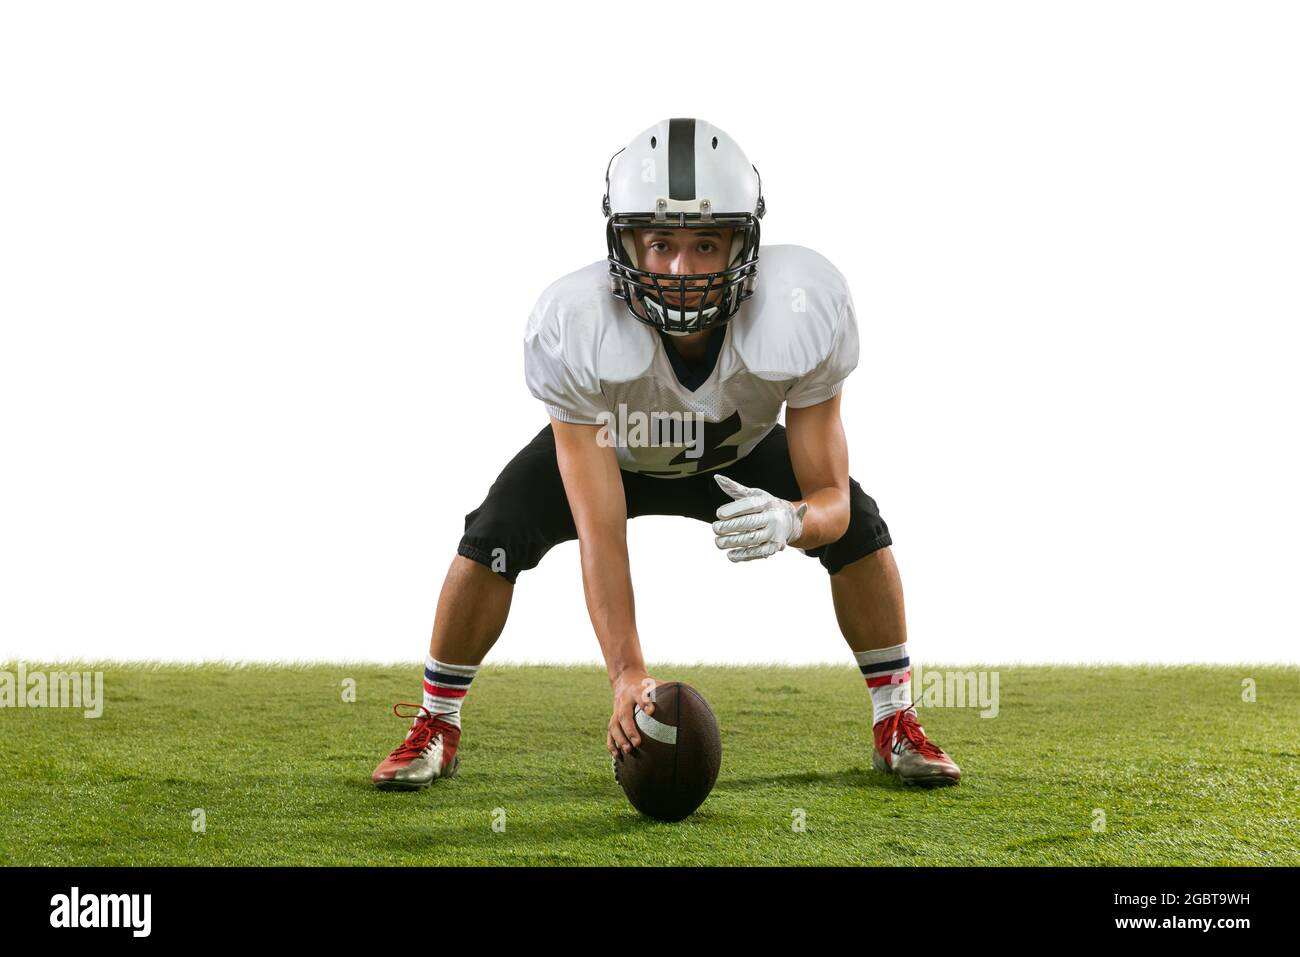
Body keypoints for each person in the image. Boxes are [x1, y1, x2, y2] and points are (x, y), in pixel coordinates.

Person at [371, 118, 960, 791]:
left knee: (862, 524)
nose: (682, 270)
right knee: (494, 533)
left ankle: (895, 719)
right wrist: (627, 672)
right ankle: (437, 721)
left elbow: (830, 497)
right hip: (612, 447)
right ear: (624, 243)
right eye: (660, 244)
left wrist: (795, 519)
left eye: (706, 243)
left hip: (736, 454)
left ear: (745, 243)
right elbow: (602, 532)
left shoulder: (802, 309)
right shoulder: (577, 323)